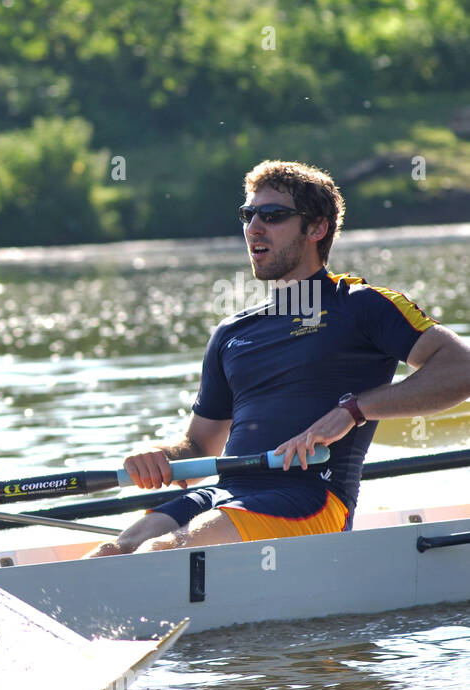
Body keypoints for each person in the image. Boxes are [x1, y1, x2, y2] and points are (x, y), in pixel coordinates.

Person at [88, 160, 470, 557]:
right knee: (113, 551)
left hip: (308, 499)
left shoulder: (363, 306)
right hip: (222, 492)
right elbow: (200, 445)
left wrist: (354, 410)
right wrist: (161, 457)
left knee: (162, 550)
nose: (254, 227)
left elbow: (461, 369)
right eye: (247, 215)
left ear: (317, 228)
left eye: (272, 216)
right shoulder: (232, 333)